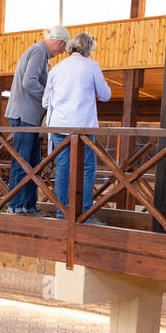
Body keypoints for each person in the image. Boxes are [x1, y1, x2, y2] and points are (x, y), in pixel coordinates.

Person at [42, 32, 110, 220]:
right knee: (87, 168)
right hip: (83, 127)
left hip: (58, 126)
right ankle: (85, 211)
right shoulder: (92, 66)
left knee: (63, 168)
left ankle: (61, 212)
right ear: (89, 49)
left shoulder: (56, 68)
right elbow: (105, 95)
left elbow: (45, 102)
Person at [4, 25, 70, 215]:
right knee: (23, 161)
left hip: (28, 116)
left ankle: (27, 205)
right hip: (24, 116)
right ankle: (15, 205)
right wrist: (48, 99)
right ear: (59, 43)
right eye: (61, 49)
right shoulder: (39, 52)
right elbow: (29, 81)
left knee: (33, 162)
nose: (59, 54)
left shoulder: (39, 53)